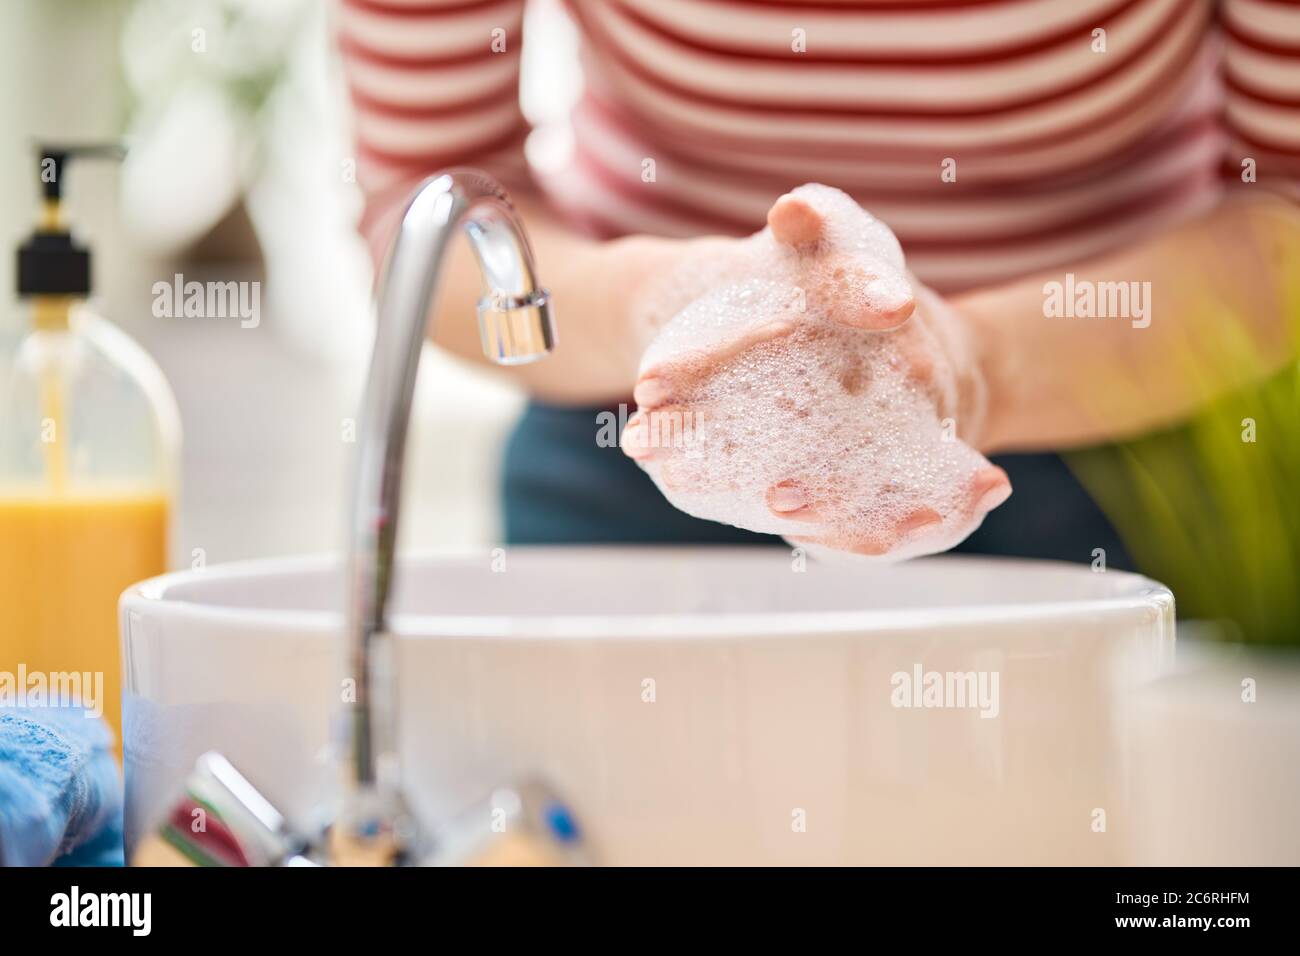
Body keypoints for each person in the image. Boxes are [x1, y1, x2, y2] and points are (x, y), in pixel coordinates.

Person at [337, 0, 1300, 563]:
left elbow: (1284, 204)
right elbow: (422, 208)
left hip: (1129, 450)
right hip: (634, 448)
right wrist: (672, 308)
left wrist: (978, 368)